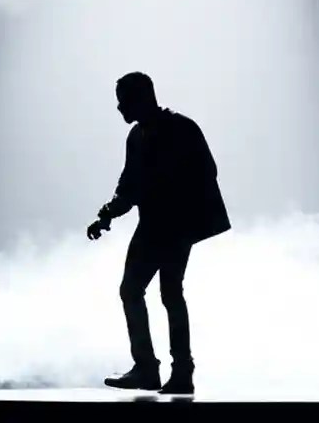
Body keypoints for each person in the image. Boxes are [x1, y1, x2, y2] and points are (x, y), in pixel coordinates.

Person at [86, 72, 231, 395]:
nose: (120, 108)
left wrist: (166, 191)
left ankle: (174, 370)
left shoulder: (181, 128)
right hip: (155, 224)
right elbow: (128, 185)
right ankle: (156, 369)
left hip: (176, 225)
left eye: (124, 101)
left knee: (165, 292)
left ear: (142, 98)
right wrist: (106, 214)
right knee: (142, 291)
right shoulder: (137, 137)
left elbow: (207, 172)